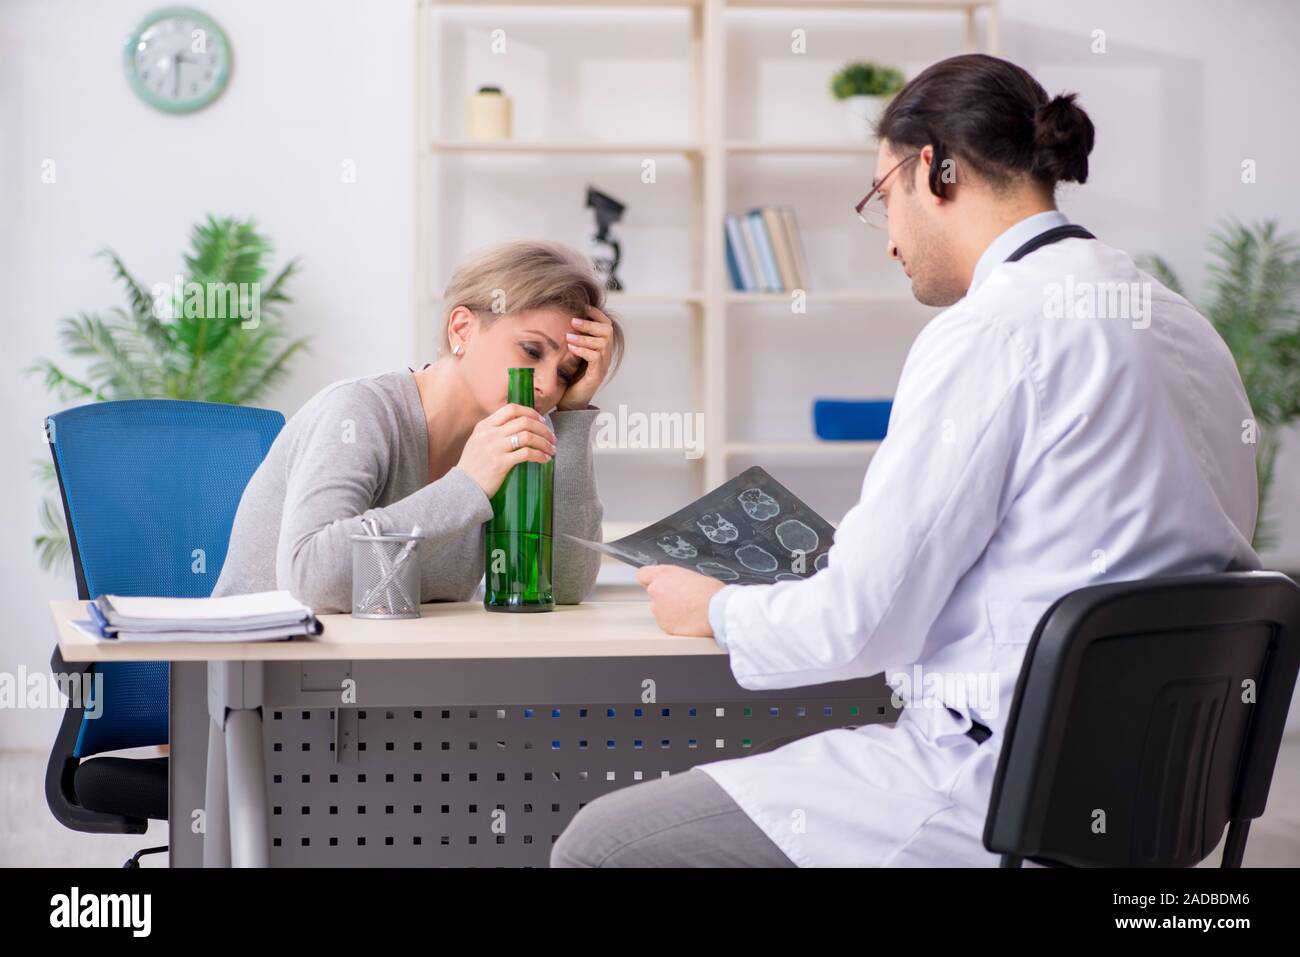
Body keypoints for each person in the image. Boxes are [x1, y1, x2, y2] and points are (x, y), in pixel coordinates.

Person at [551, 53, 1260, 867]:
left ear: (935, 169)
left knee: (602, 846)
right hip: (1164, 807)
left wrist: (712, 608)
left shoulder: (990, 331)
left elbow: (860, 622)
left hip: (989, 799)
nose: (888, 240)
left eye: (881, 198)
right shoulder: (1183, 325)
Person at [212, 238, 624, 613]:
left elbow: (566, 586)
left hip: (393, 676)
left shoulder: (507, 444)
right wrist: (467, 486)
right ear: (462, 328)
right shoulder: (358, 412)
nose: (548, 385)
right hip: (266, 678)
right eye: (532, 350)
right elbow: (313, 583)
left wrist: (573, 415)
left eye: (567, 373)